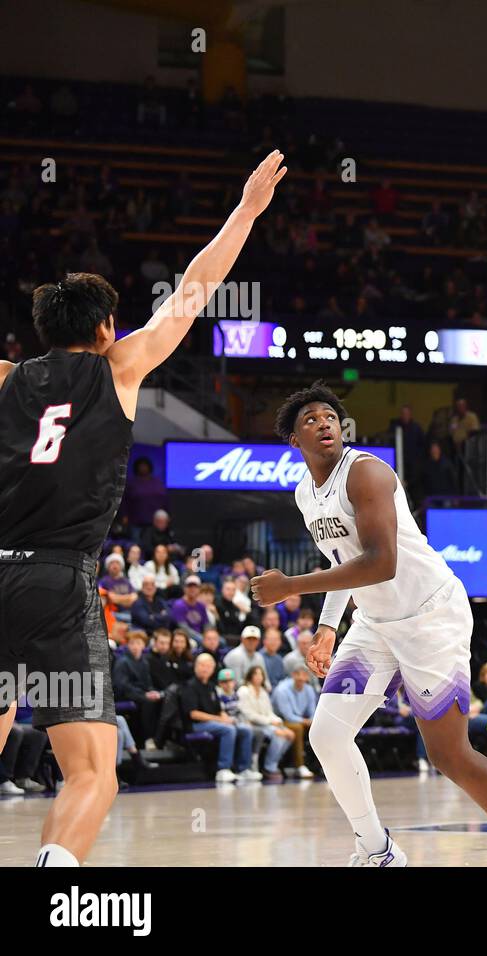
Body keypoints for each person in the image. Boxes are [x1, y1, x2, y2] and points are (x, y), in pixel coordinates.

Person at [0, 151, 283, 867]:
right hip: (60, 584)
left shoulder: (5, 380)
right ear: (105, 330)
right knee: (92, 771)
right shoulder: (120, 367)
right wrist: (247, 209)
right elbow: (195, 288)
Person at [250, 383, 487, 866]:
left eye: (329, 416)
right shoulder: (306, 493)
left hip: (430, 618)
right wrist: (326, 625)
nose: (324, 423)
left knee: (449, 756)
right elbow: (344, 558)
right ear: (294, 443)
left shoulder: (366, 473)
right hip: (375, 623)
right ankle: (377, 849)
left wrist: (292, 586)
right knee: (327, 735)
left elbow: (380, 562)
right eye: (310, 420)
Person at [181, 653, 259, 783]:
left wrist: (226, 718)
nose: (205, 668)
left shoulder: (211, 687)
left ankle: (243, 769)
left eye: (208, 666)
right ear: (195, 667)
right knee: (228, 730)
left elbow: (219, 710)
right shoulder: (189, 686)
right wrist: (220, 720)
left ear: (213, 669)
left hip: (213, 722)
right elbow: (193, 714)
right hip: (195, 724)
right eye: (202, 665)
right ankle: (223, 769)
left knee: (245, 730)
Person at [237, 665, 294, 781]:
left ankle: (274, 762)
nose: (259, 677)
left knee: (290, 735)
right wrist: (270, 722)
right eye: (256, 674)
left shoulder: (263, 692)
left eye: (261, 674)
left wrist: (278, 721)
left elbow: (269, 712)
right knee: (279, 735)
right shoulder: (244, 691)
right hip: (251, 724)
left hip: (266, 724)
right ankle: (269, 768)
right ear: (250, 676)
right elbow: (249, 715)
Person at [269, 664, 317, 778]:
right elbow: (288, 716)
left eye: (304, 676)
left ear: (307, 677)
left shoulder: (309, 689)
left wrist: (312, 721)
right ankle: (299, 766)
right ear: (293, 675)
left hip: (300, 719)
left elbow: (313, 711)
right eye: (298, 675)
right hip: (280, 721)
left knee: (319, 727)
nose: (301, 679)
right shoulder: (282, 690)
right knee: (297, 728)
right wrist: (305, 721)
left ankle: (320, 764)